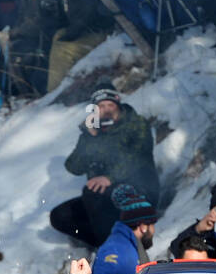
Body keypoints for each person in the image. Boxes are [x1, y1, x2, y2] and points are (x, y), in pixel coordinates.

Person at [50, 87, 158, 247]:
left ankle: (113, 248)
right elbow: (74, 167)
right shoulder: (94, 133)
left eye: (110, 105)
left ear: (118, 105)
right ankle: (109, 244)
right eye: (101, 107)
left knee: (91, 192)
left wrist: (109, 178)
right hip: (102, 199)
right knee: (60, 216)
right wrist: (89, 136)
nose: (106, 110)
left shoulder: (135, 123)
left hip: (138, 190)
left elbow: (139, 156)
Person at [45, 0, 114, 91]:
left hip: (101, 33)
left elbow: (87, 16)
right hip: (88, 31)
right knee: (59, 34)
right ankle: (62, 82)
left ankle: (53, 92)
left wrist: (70, 35)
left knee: (63, 50)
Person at [5, 0, 63, 95]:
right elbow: (23, 18)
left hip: (48, 42)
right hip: (35, 39)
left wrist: (16, 33)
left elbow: (44, 22)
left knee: (23, 52)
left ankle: (36, 94)